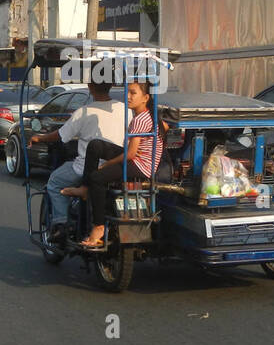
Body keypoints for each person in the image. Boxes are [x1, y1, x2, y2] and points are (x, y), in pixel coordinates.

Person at [62, 79, 169, 249]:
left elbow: (131, 154)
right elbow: (165, 127)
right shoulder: (149, 115)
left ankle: (98, 226)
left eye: (133, 93)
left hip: (140, 165)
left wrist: (107, 164)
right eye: (127, 92)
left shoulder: (139, 120)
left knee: (97, 177)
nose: (128, 97)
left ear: (145, 98)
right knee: (95, 145)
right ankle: (84, 188)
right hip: (142, 161)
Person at [29, 80, 126, 242]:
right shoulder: (126, 110)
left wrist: (39, 138)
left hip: (85, 168)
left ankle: (61, 225)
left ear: (90, 87)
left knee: (54, 182)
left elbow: (61, 135)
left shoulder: (83, 112)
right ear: (110, 85)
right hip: (116, 167)